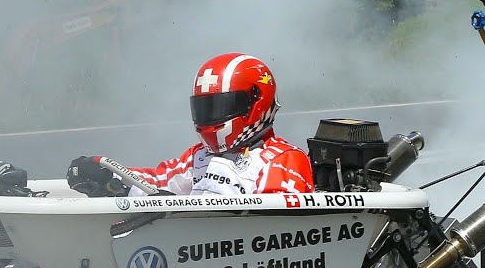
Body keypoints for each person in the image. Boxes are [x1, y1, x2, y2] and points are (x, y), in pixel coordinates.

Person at [67, 52, 314, 197]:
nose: (212, 116)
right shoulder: (199, 156)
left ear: (256, 102)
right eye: (206, 108)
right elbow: (155, 181)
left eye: (220, 106)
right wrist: (108, 178)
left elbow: (275, 230)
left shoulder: (284, 159)